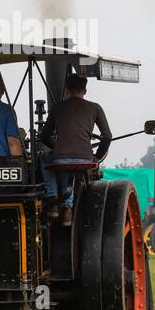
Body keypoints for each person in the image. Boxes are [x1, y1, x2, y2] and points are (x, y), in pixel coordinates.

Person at [39, 74, 112, 225]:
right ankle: (68, 209)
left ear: (67, 89)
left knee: (46, 157)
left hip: (60, 158)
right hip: (85, 158)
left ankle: (52, 199)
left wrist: (57, 147)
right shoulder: (95, 108)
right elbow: (107, 136)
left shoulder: (57, 108)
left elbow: (44, 136)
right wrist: (97, 157)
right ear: (84, 91)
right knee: (69, 167)